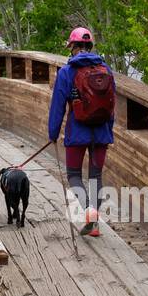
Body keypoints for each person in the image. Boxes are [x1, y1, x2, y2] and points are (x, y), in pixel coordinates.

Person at [48, 27, 116, 237]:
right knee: (96, 177)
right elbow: (112, 104)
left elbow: (57, 106)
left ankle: (88, 211)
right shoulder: (105, 69)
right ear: (90, 46)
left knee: (74, 175)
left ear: (74, 47)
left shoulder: (67, 72)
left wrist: (53, 133)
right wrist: (108, 130)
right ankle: (94, 224)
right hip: (101, 132)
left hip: (77, 131)